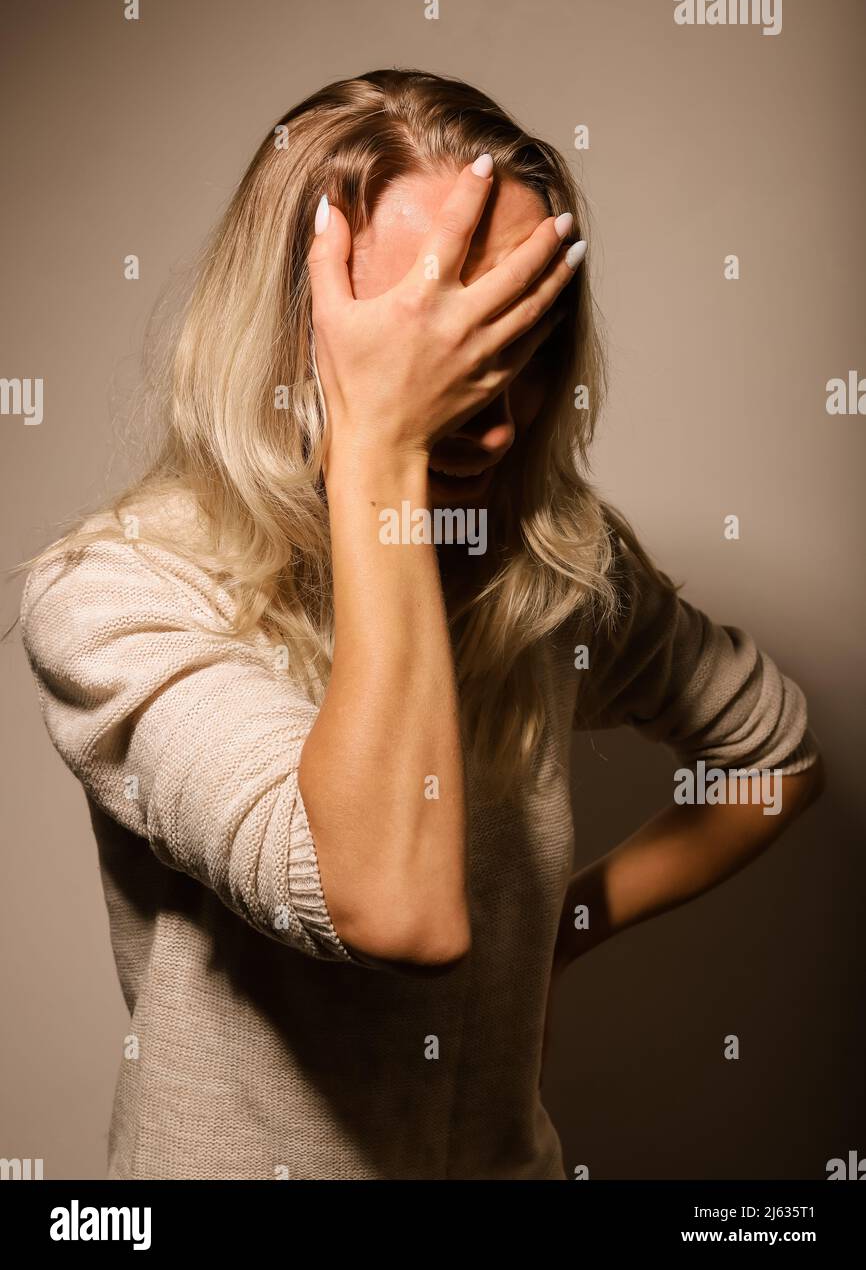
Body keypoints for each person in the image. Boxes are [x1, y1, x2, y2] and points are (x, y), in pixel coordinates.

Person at [18, 67, 824, 1180]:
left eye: (516, 337)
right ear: (288, 326)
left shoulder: (543, 564)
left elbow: (773, 756)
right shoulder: (117, 591)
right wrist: (381, 447)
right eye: (423, 343)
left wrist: (562, 932)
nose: (490, 419)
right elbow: (392, 912)